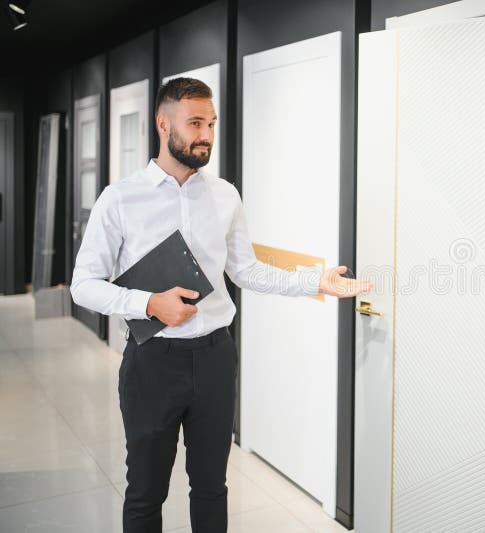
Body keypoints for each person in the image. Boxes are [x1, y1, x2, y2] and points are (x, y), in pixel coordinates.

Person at [70, 77, 372, 533]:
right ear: (162, 123)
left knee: (211, 487)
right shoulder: (120, 198)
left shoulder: (225, 194)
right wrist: (149, 303)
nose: (206, 134)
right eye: (194, 123)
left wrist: (314, 281)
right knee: (145, 493)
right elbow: (83, 285)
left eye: (210, 123)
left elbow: (245, 270)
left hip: (214, 357)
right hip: (152, 363)